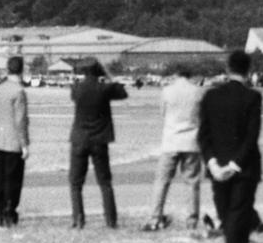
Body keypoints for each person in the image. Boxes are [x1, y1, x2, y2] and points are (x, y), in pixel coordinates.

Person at [198, 50, 262, 243]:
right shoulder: (253, 97)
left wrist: (213, 163)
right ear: (248, 70)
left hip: (218, 166)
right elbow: (251, 137)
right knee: (236, 220)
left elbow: (203, 134)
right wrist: (235, 165)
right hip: (243, 168)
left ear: (227, 68)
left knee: (230, 219)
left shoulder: (210, 96)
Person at [141, 66, 204, 232]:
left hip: (171, 141)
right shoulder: (198, 92)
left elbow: (163, 113)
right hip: (191, 141)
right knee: (192, 183)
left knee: (162, 181)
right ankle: (192, 220)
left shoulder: (167, 91)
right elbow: (201, 115)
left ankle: (155, 217)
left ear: (176, 75)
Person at [68, 59, 128, 229]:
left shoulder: (77, 88)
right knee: (105, 181)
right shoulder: (104, 89)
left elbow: (73, 94)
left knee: (75, 182)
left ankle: (78, 219)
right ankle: (111, 220)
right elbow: (123, 93)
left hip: (79, 138)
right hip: (100, 139)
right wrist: (108, 76)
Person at [0, 56, 30, 228]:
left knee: (0, 179)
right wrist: (24, 144)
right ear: (21, 70)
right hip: (14, 141)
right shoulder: (19, 91)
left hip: (0, 139)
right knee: (14, 180)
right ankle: (9, 212)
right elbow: (20, 120)